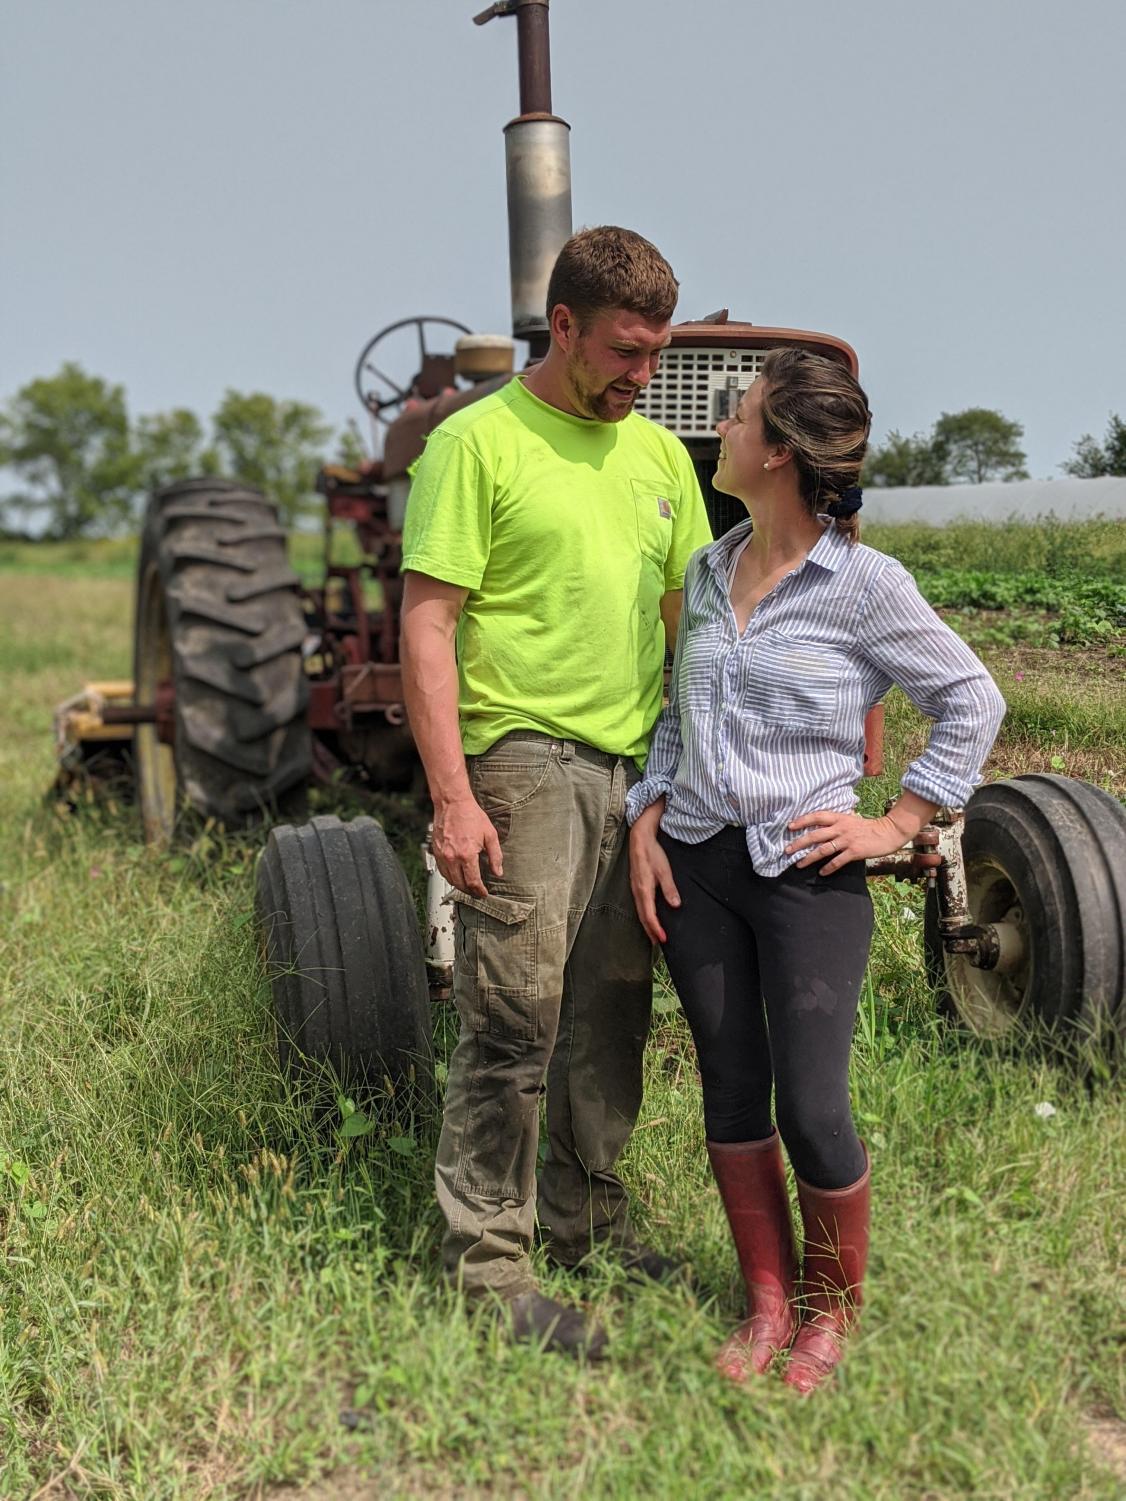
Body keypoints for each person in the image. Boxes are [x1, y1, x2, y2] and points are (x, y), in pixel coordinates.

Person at [627, 348, 1005, 1393]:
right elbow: (675, 717)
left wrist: (902, 821)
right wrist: (645, 812)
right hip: (695, 863)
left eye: (738, 416)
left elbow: (973, 699)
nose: (721, 431)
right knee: (730, 1087)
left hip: (802, 869)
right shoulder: (709, 568)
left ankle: (826, 1314)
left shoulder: (863, 584)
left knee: (814, 1105)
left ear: (780, 451)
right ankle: (763, 1300)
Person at [400, 226, 714, 1359]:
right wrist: (452, 797)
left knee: (608, 1016)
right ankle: (488, 1264)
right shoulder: (477, 443)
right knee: (512, 1021)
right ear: (563, 326)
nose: (642, 377)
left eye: (655, 355)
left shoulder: (661, 459)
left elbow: (690, 633)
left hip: (635, 774)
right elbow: (427, 625)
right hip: (522, 763)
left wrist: (687, 777)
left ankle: (585, 1225)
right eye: (624, 353)